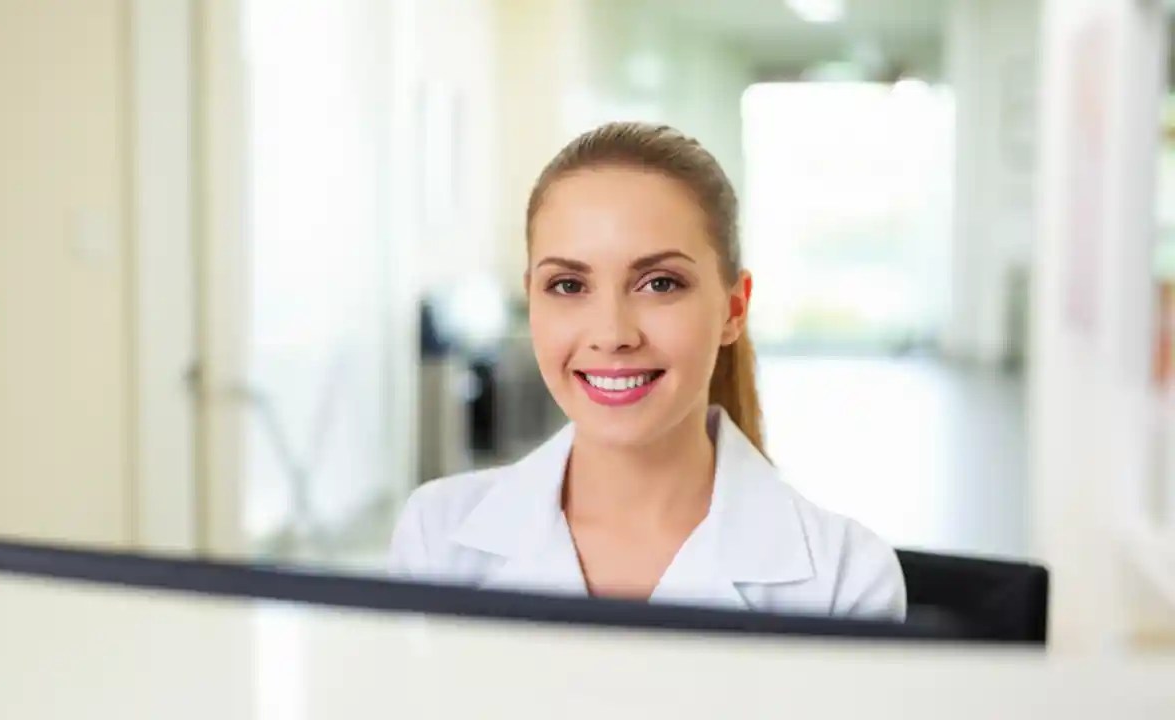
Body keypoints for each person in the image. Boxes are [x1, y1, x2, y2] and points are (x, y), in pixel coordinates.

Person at [388, 122, 905, 620]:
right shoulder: (437, 536)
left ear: (733, 309)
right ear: (532, 300)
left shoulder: (847, 579)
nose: (612, 334)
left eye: (659, 284)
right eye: (568, 285)